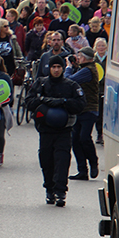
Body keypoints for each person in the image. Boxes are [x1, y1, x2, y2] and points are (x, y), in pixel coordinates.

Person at [25, 55, 86, 207]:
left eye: (59, 67)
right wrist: (42, 101)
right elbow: (29, 101)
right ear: (49, 68)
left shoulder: (71, 85)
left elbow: (80, 104)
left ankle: (60, 192)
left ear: (63, 68)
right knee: (46, 160)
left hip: (64, 130)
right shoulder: (41, 83)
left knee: (62, 160)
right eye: (54, 67)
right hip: (45, 129)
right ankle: (49, 189)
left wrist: (64, 102)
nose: (56, 70)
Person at [66, 47, 100, 181]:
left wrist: (69, 67)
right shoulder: (83, 68)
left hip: (89, 109)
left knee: (84, 138)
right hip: (79, 109)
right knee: (75, 140)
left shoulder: (88, 70)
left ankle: (93, 162)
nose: (77, 58)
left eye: (79, 56)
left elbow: (69, 80)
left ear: (84, 57)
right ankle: (82, 170)